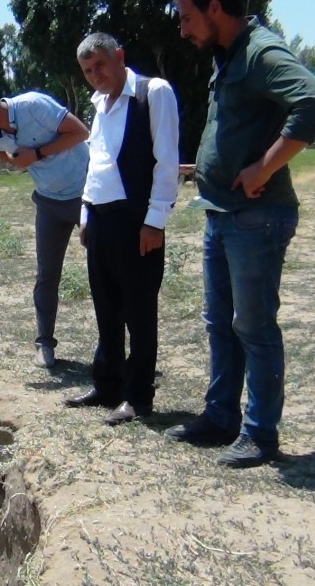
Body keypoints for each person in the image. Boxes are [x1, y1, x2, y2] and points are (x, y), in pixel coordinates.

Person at [166, 0, 315, 467]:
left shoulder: (260, 51)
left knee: (254, 326)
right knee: (220, 322)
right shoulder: (227, 56)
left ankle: (260, 434)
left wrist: (264, 166)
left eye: (187, 19)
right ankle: (221, 417)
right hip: (222, 212)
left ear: (215, 9)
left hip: (257, 217)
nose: (183, 30)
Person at [66, 33, 180, 426]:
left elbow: (167, 161)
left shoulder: (153, 93)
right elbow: (96, 161)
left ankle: (138, 396)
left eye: (99, 64)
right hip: (100, 220)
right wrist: (86, 213)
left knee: (139, 310)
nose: (94, 75)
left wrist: (155, 221)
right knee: (106, 307)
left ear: (119, 56)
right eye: (87, 70)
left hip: (136, 221)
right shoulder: (99, 105)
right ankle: (107, 384)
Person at [0, 86, 90, 368]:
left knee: (105, 272)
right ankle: (44, 344)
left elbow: (80, 132)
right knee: (46, 275)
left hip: (87, 196)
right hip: (49, 202)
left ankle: (115, 351)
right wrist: (19, 162)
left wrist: (37, 154)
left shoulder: (34, 106)